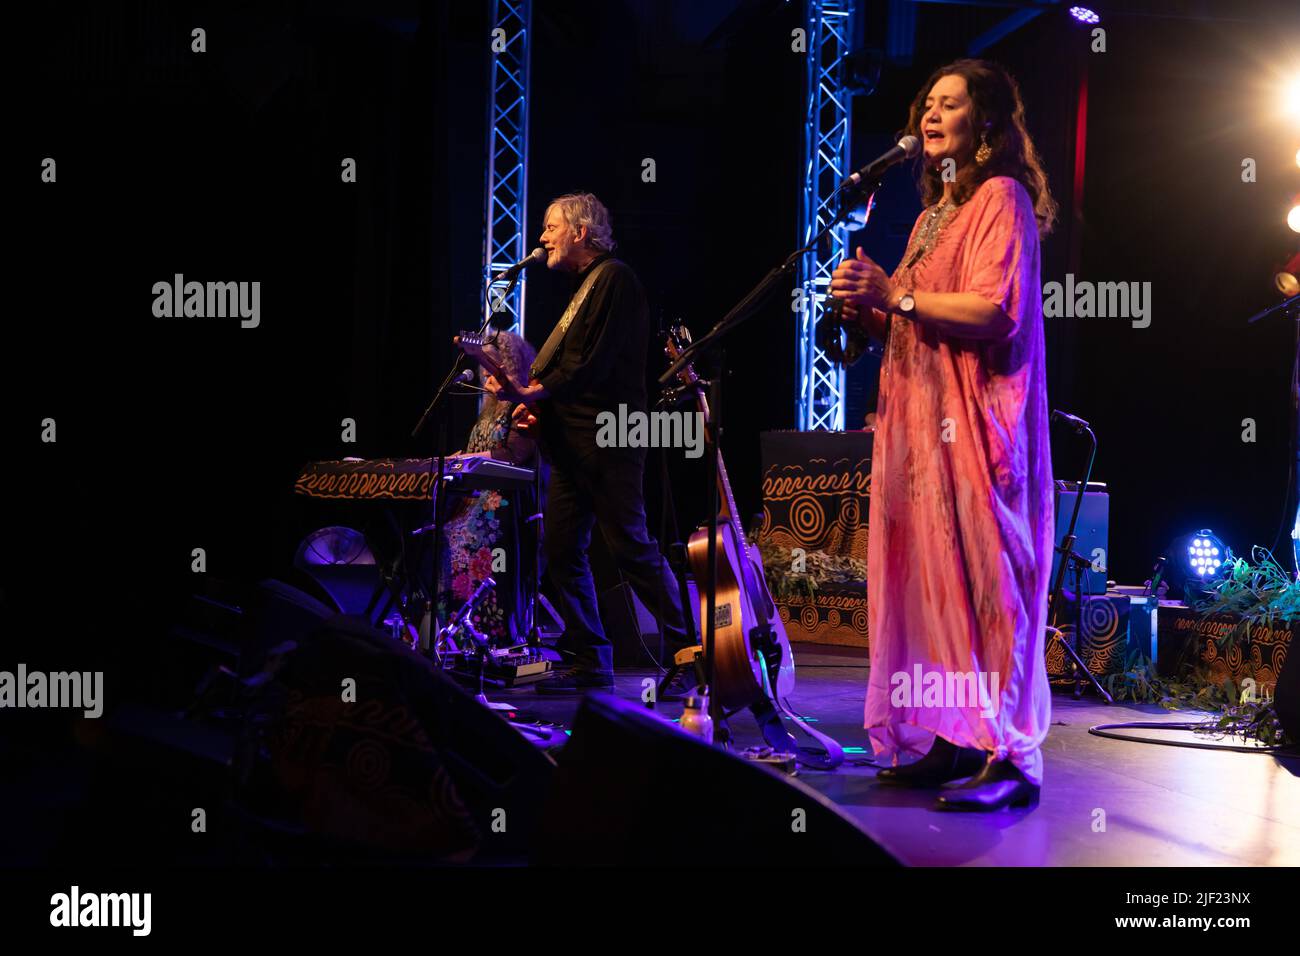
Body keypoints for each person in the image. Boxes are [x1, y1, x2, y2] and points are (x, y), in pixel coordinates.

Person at [830, 59, 1057, 811]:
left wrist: (893, 294)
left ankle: (1011, 756)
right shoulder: (931, 219)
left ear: (985, 124)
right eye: (927, 103)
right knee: (927, 586)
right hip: (918, 431)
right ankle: (956, 737)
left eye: (949, 104)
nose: (930, 114)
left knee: (985, 584)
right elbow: (910, 314)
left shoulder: (1002, 197)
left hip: (975, 433)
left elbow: (996, 310)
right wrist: (864, 305)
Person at [488, 192, 690, 692]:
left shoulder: (614, 278)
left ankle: (693, 651)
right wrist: (534, 403)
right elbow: (569, 367)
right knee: (560, 549)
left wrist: (533, 391)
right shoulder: (583, 289)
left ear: (581, 232)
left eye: (551, 226)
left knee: (631, 548)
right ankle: (590, 659)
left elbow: (593, 363)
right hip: (574, 441)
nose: (542, 237)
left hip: (611, 436)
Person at [436, 331, 542, 645]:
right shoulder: (488, 409)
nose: (485, 376)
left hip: (500, 509)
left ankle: (491, 638)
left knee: (476, 549)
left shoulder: (520, 406)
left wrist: (467, 458)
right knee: (443, 537)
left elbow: (513, 455)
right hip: (472, 504)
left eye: (490, 368)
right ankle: (454, 638)